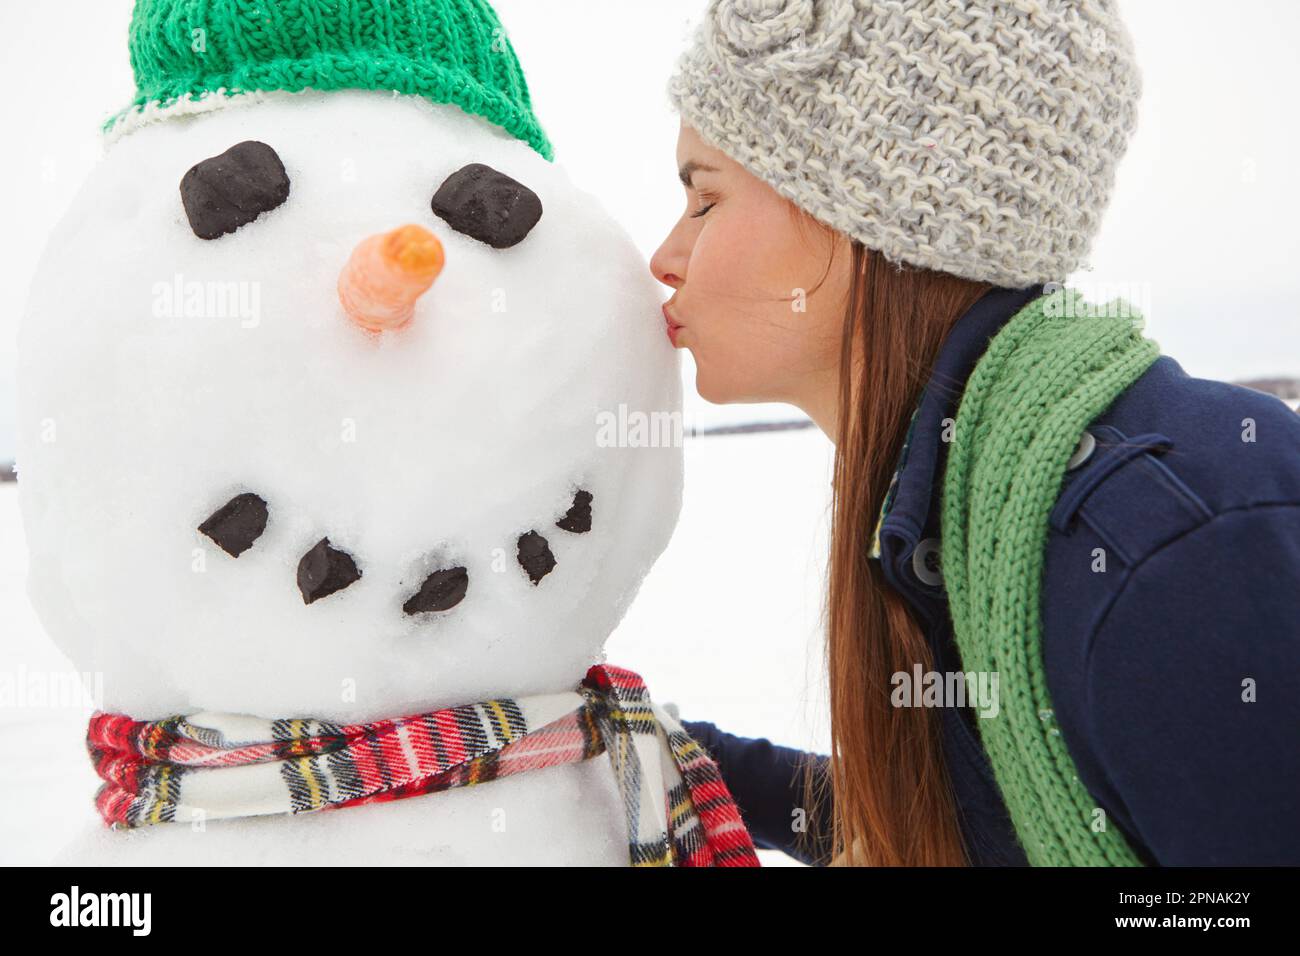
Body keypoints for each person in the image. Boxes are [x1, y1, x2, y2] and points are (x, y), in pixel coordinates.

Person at [650, 0, 1300, 866]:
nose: (665, 255)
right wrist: (683, 761)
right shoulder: (961, 522)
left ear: (862, 210)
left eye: (703, 198)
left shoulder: (1176, 550)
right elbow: (970, 831)